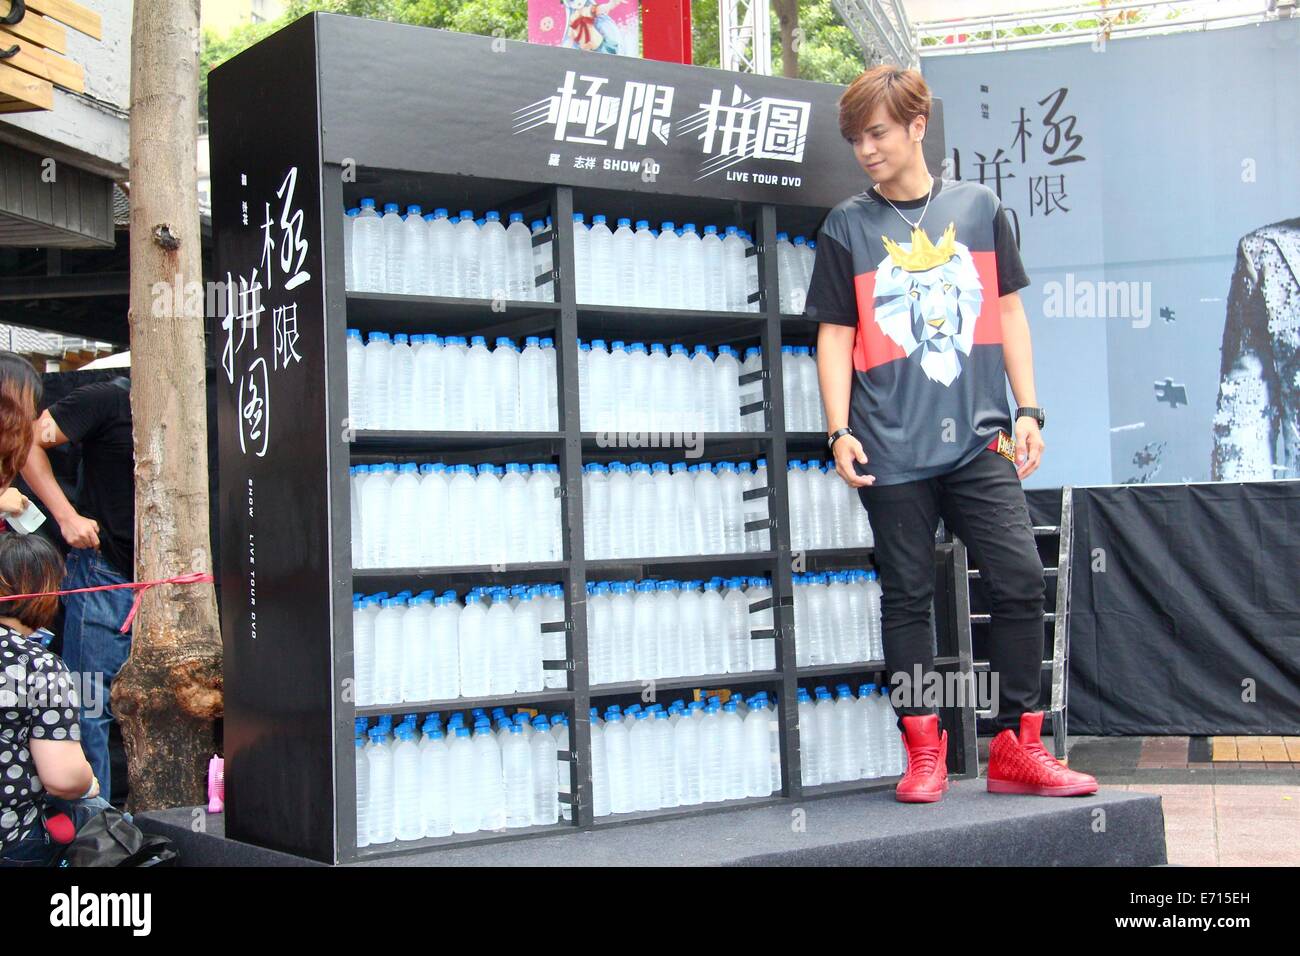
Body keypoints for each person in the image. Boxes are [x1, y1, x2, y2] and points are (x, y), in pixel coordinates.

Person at [804, 65, 1096, 802]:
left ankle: (1017, 748)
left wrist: (1030, 411)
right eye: (854, 139)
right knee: (907, 594)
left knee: (1021, 579)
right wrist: (837, 429)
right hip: (888, 442)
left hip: (983, 437)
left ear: (916, 127)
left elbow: (1010, 314)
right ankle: (923, 749)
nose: (865, 149)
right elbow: (835, 336)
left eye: (877, 133)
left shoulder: (980, 209)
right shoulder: (847, 226)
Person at [20, 377, 134, 803]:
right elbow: (28, 444)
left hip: (174, 582)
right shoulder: (108, 398)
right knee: (88, 705)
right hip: (105, 573)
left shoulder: (207, 401)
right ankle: (97, 830)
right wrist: (66, 516)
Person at [0, 534, 114, 867]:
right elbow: (62, 778)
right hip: (11, 841)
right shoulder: (37, 665)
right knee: (108, 820)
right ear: (44, 591)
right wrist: (88, 781)